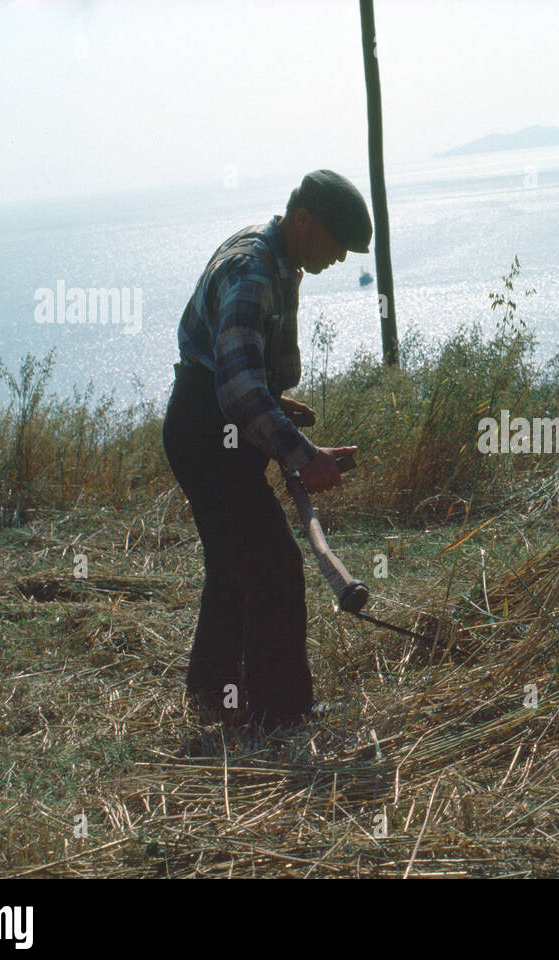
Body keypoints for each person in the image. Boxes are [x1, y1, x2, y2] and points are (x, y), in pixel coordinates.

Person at [162, 169, 370, 729]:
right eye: (337, 244)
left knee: (233, 562)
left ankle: (215, 692)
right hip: (207, 435)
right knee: (274, 565)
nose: (341, 259)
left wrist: (279, 411)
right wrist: (305, 455)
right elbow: (237, 391)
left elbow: (246, 376)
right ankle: (280, 712)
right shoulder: (254, 269)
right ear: (304, 220)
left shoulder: (279, 258)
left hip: (209, 425)